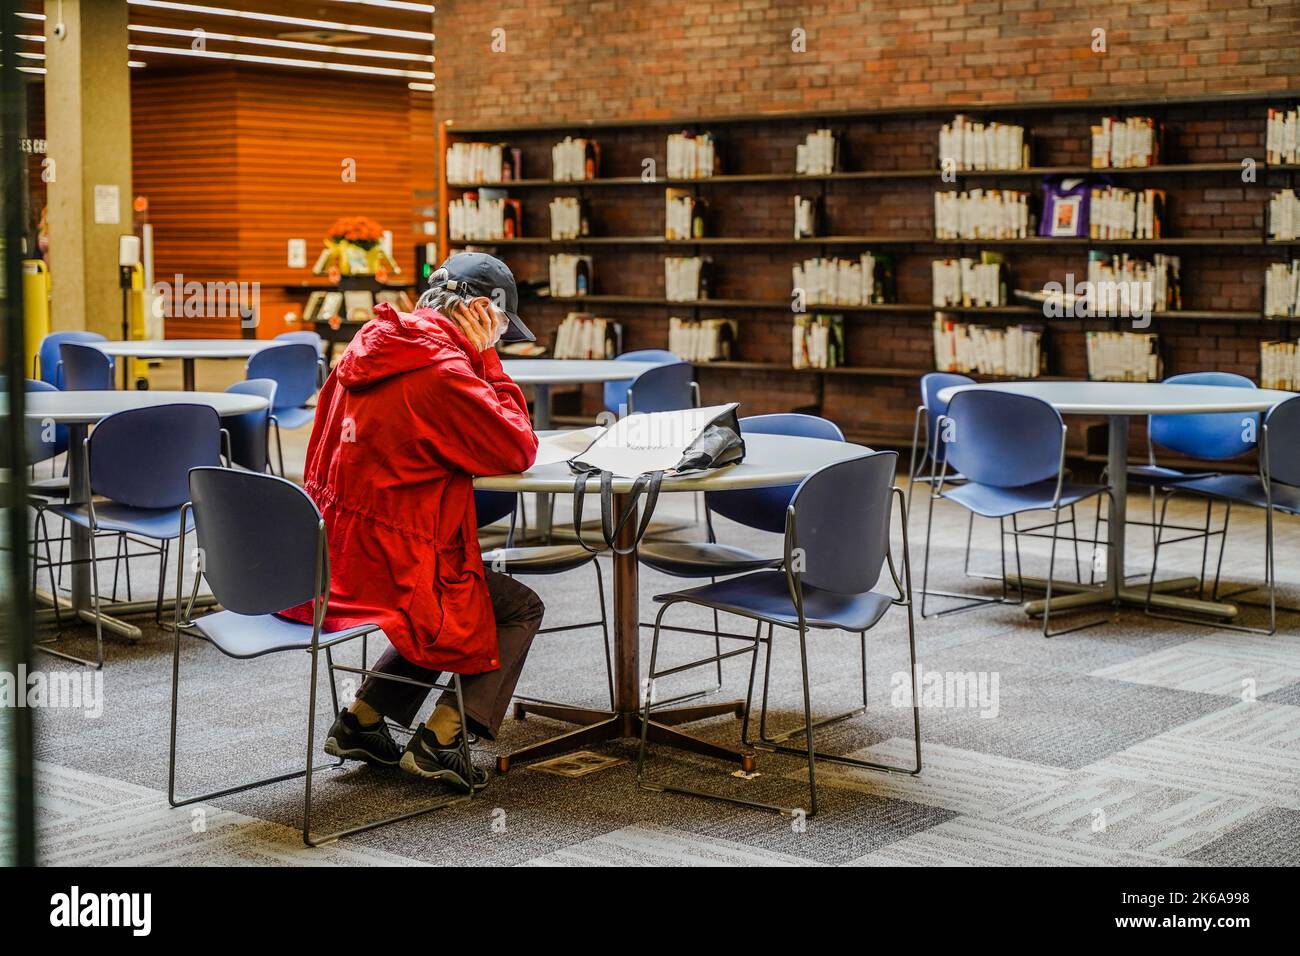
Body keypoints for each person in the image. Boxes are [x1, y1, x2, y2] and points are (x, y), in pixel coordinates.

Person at [280, 252, 542, 792]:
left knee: (450, 593)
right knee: (513, 606)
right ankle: (442, 740)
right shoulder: (445, 370)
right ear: (480, 312)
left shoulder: (370, 343)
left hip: (334, 551)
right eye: (498, 326)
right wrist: (488, 362)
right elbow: (517, 448)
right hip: (391, 560)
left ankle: (364, 720)